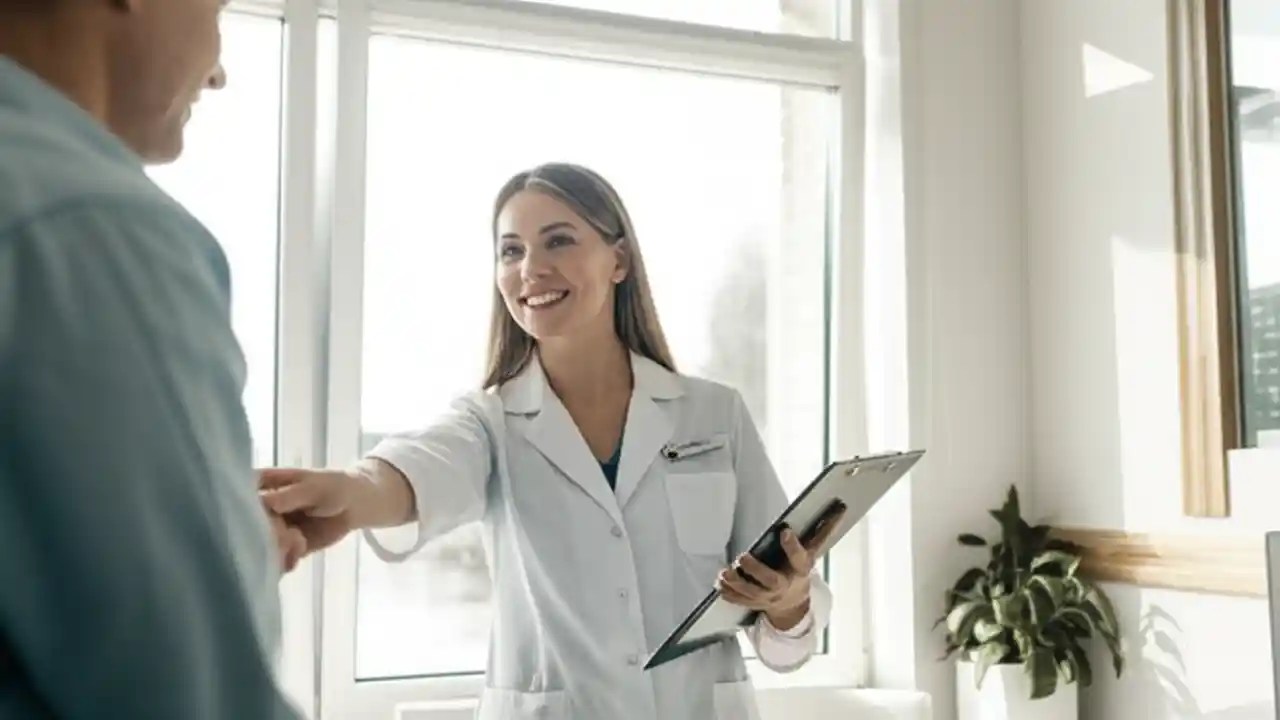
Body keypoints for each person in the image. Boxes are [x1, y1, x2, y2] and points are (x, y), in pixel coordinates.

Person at [262, 162, 841, 720]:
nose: (530, 268)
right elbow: (419, 469)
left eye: (558, 241)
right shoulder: (490, 421)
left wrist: (788, 603)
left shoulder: (716, 415)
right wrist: (352, 490)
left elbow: (787, 639)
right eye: (511, 250)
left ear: (619, 260)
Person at [0, 1, 304, 718]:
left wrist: (214, 537)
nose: (220, 68)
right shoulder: (89, 223)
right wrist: (224, 573)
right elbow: (195, 698)